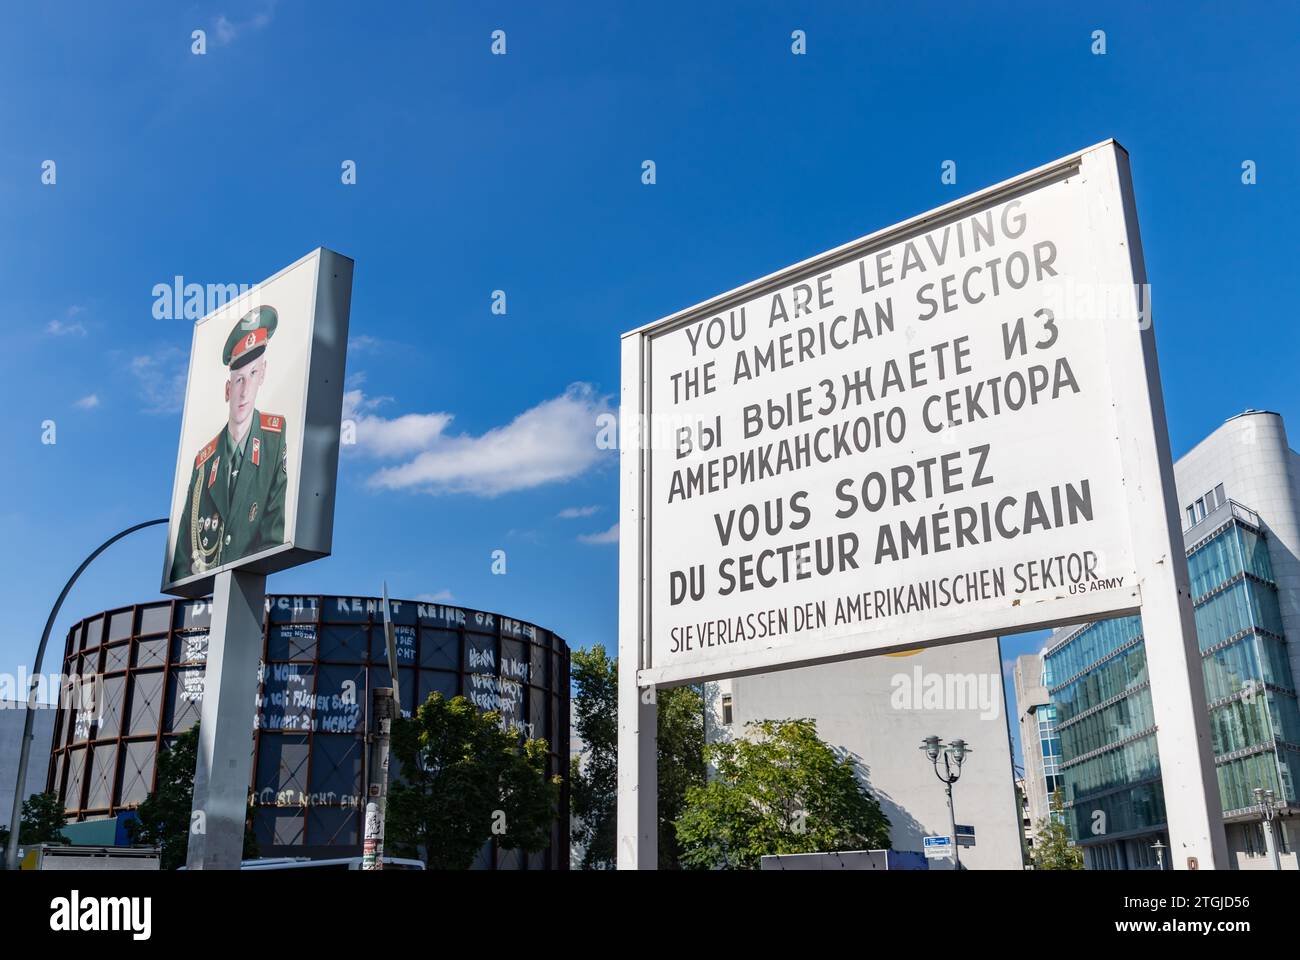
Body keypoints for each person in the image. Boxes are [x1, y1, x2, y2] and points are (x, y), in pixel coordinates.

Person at [169, 305, 288, 583]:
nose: (245, 391)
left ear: (264, 374)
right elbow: (183, 559)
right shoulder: (204, 461)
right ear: (227, 388)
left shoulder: (273, 437)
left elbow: (273, 536)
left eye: (253, 375)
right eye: (238, 380)